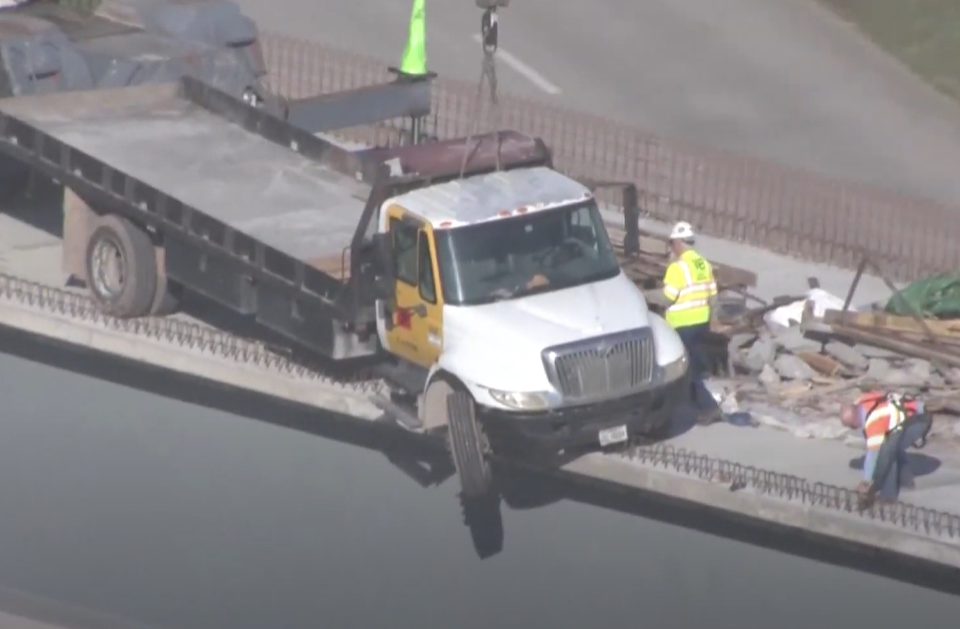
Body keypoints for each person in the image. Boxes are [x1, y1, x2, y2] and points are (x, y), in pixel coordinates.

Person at [662, 221, 719, 424]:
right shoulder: (704, 264)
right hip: (701, 322)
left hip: (682, 325)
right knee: (694, 364)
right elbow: (713, 295)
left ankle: (708, 407)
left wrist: (645, 298)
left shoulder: (677, 268)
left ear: (678, 243)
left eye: (671, 243)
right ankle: (695, 405)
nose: (671, 248)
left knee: (686, 369)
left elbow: (667, 298)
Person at [839, 390, 934, 504]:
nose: (851, 427)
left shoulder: (874, 421)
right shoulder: (860, 402)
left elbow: (873, 455)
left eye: (850, 425)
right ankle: (906, 481)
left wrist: (866, 481)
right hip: (904, 417)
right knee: (892, 445)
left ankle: (888, 496)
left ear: (855, 419)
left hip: (918, 420)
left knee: (887, 453)